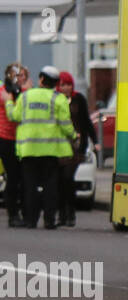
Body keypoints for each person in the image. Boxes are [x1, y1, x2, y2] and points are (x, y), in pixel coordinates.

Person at [5, 65, 74, 229]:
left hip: (29, 150)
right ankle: (49, 220)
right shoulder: (59, 99)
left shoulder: (26, 96)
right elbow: (66, 125)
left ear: (41, 79)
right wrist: (74, 136)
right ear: (56, 83)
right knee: (51, 186)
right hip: (50, 151)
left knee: (30, 186)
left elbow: (14, 116)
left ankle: (31, 220)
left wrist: (8, 102)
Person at [56, 71, 97, 226]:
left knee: (68, 177)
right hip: (59, 144)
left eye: (68, 84)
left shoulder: (79, 99)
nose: (65, 88)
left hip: (76, 145)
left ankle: (70, 213)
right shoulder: (56, 99)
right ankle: (62, 215)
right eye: (62, 85)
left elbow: (86, 120)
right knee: (60, 180)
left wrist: (95, 140)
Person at [1, 62, 29, 227]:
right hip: (6, 139)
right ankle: (13, 214)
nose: (19, 78)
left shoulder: (25, 93)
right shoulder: (3, 92)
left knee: (24, 178)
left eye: (22, 75)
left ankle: (26, 212)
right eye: (16, 75)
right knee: (13, 177)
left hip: (24, 140)